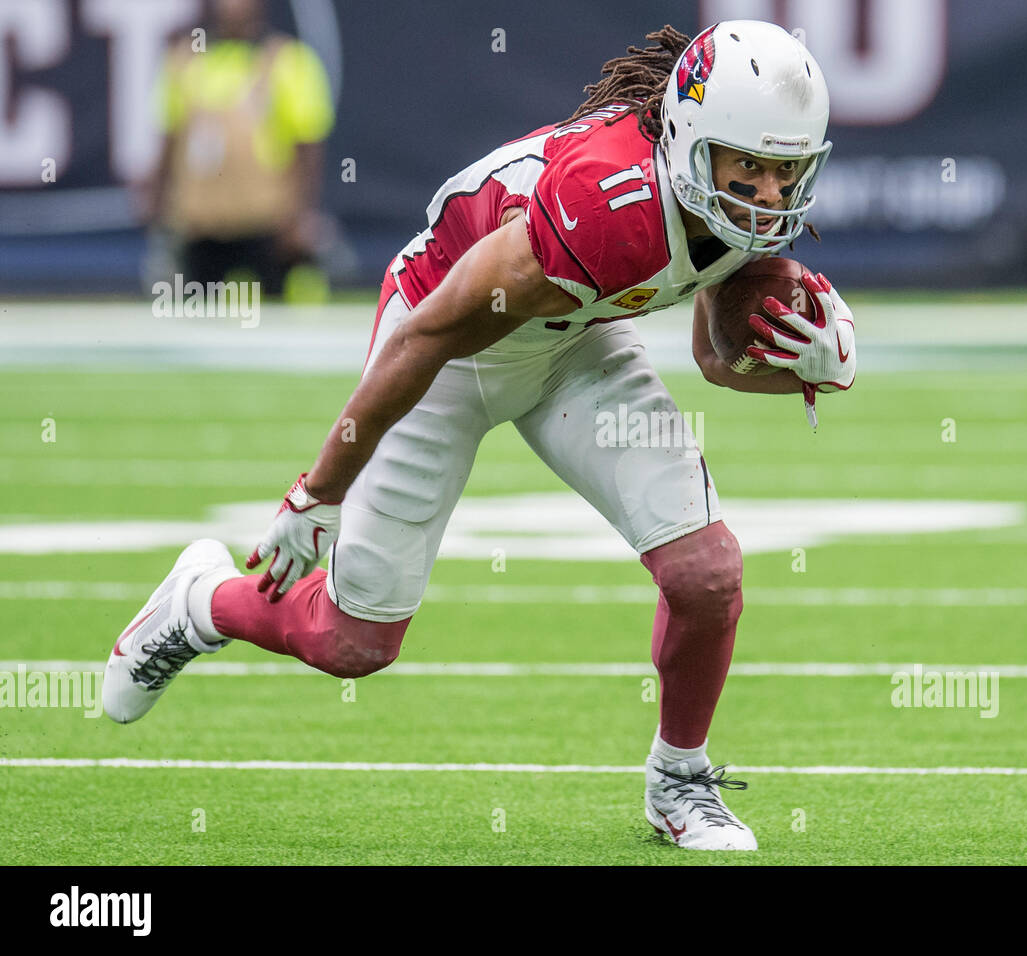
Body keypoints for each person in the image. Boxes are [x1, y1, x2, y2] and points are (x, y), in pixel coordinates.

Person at [104, 22, 856, 851]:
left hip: (575, 343)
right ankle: (201, 602)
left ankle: (680, 783)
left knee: (707, 573)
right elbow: (427, 337)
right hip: (446, 351)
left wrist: (812, 367)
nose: (767, 195)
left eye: (785, 171)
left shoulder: (726, 200)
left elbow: (715, 359)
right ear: (686, 143)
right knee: (352, 643)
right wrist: (318, 490)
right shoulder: (608, 206)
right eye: (746, 167)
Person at [143, 0, 334, 296]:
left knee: (276, 322)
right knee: (199, 323)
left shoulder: (288, 61)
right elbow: (170, 140)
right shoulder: (183, 62)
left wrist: (301, 215)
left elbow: (308, 147)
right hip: (201, 227)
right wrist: (157, 203)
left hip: (267, 227)